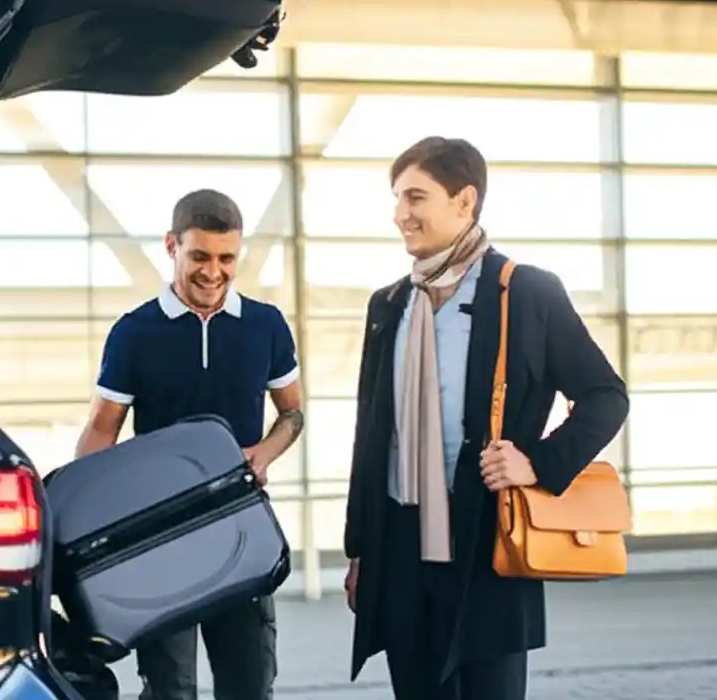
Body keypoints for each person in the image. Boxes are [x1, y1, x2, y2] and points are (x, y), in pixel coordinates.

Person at [341, 137, 629, 700]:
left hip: (485, 541)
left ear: (464, 200)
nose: (401, 214)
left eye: (415, 197)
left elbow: (604, 395)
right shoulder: (390, 304)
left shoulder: (524, 292)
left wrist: (537, 463)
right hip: (400, 545)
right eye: (397, 199)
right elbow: (371, 433)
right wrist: (359, 549)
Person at [74, 188, 305, 700]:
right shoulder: (134, 333)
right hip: (161, 540)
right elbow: (101, 428)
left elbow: (292, 413)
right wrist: (89, 519)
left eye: (227, 258)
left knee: (250, 685)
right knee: (169, 689)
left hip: (241, 531)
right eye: (200, 255)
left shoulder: (266, 326)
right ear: (171, 246)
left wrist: (261, 454)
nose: (213, 271)